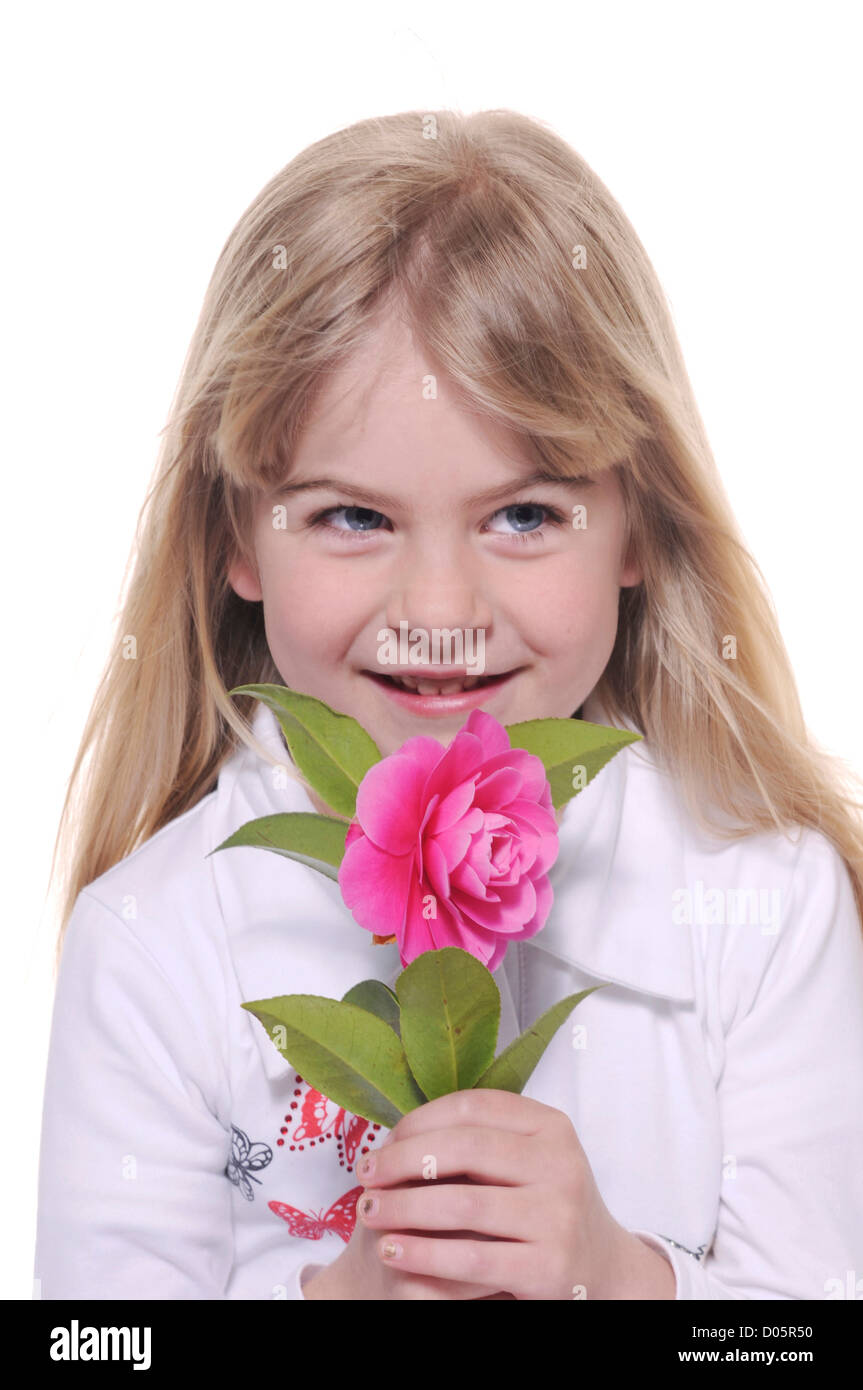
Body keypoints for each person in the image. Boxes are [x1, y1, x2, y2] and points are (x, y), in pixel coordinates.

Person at [34, 108, 863, 1301]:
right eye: (351, 517)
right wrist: (343, 1297)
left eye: (523, 515)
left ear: (637, 526)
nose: (437, 606)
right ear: (237, 538)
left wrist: (622, 1280)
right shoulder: (153, 942)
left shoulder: (765, 904)